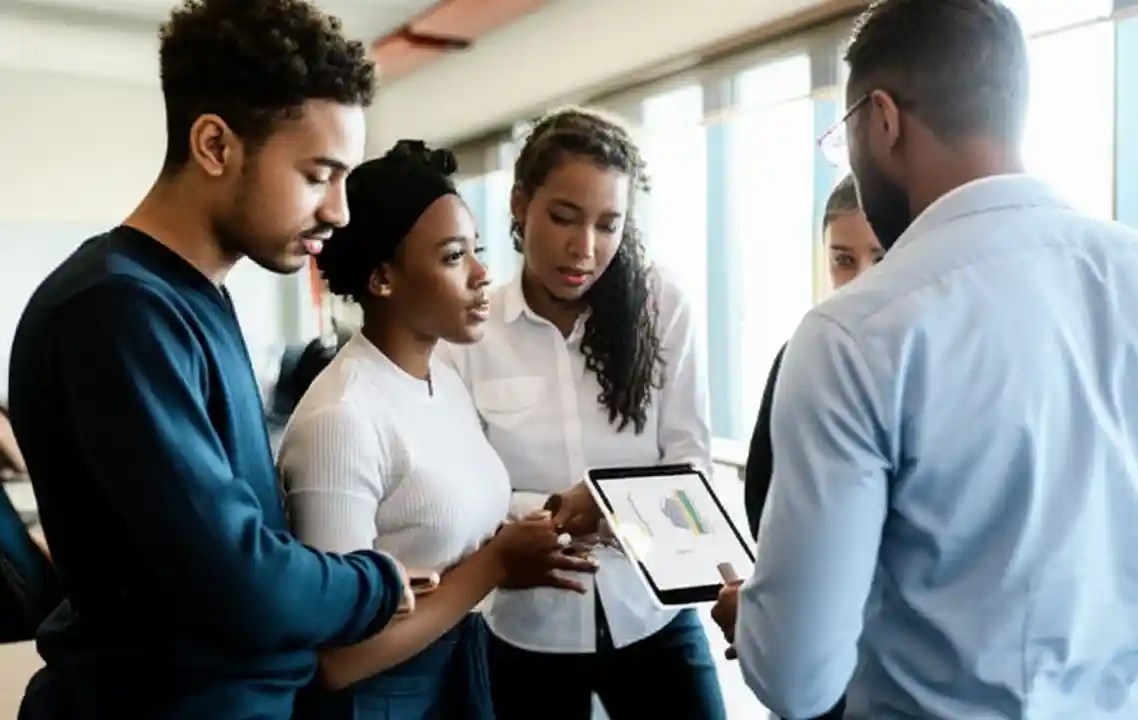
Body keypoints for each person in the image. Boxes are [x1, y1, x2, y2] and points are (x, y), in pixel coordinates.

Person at [712, 1, 1138, 718]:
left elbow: (798, 680)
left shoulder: (857, 333)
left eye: (844, 135)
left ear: (882, 119)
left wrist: (759, 622)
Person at [5, 2, 418, 718]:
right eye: (319, 174)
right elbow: (238, 580)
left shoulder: (193, 298)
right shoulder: (116, 309)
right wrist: (375, 584)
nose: (340, 210)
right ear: (215, 145)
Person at [278, 140, 599, 720]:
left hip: (457, 670)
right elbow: (336, 660)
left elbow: (439, 539)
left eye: (475, 251)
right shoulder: (342, 420)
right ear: (382, 278)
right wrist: (495, 565)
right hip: (377, 698)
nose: (482, 275)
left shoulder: (441, 381)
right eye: (453, 257)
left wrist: (534, 538)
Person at [438, 107, 726, 720]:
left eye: (608, 224)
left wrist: (603, 503)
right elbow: (462, 492)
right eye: (564, 217)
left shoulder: (662, 309)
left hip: (654, 614)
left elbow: (690, 469)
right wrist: (574, 510)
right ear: (520, 204)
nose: (584, 248)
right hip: (524, 631)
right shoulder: (470, 330)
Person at [743, 174, 882, 541]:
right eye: (843, 260)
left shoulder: (932, 363)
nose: (860, 280)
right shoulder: (798, 356)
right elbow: (761, 497)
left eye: (881, 258)